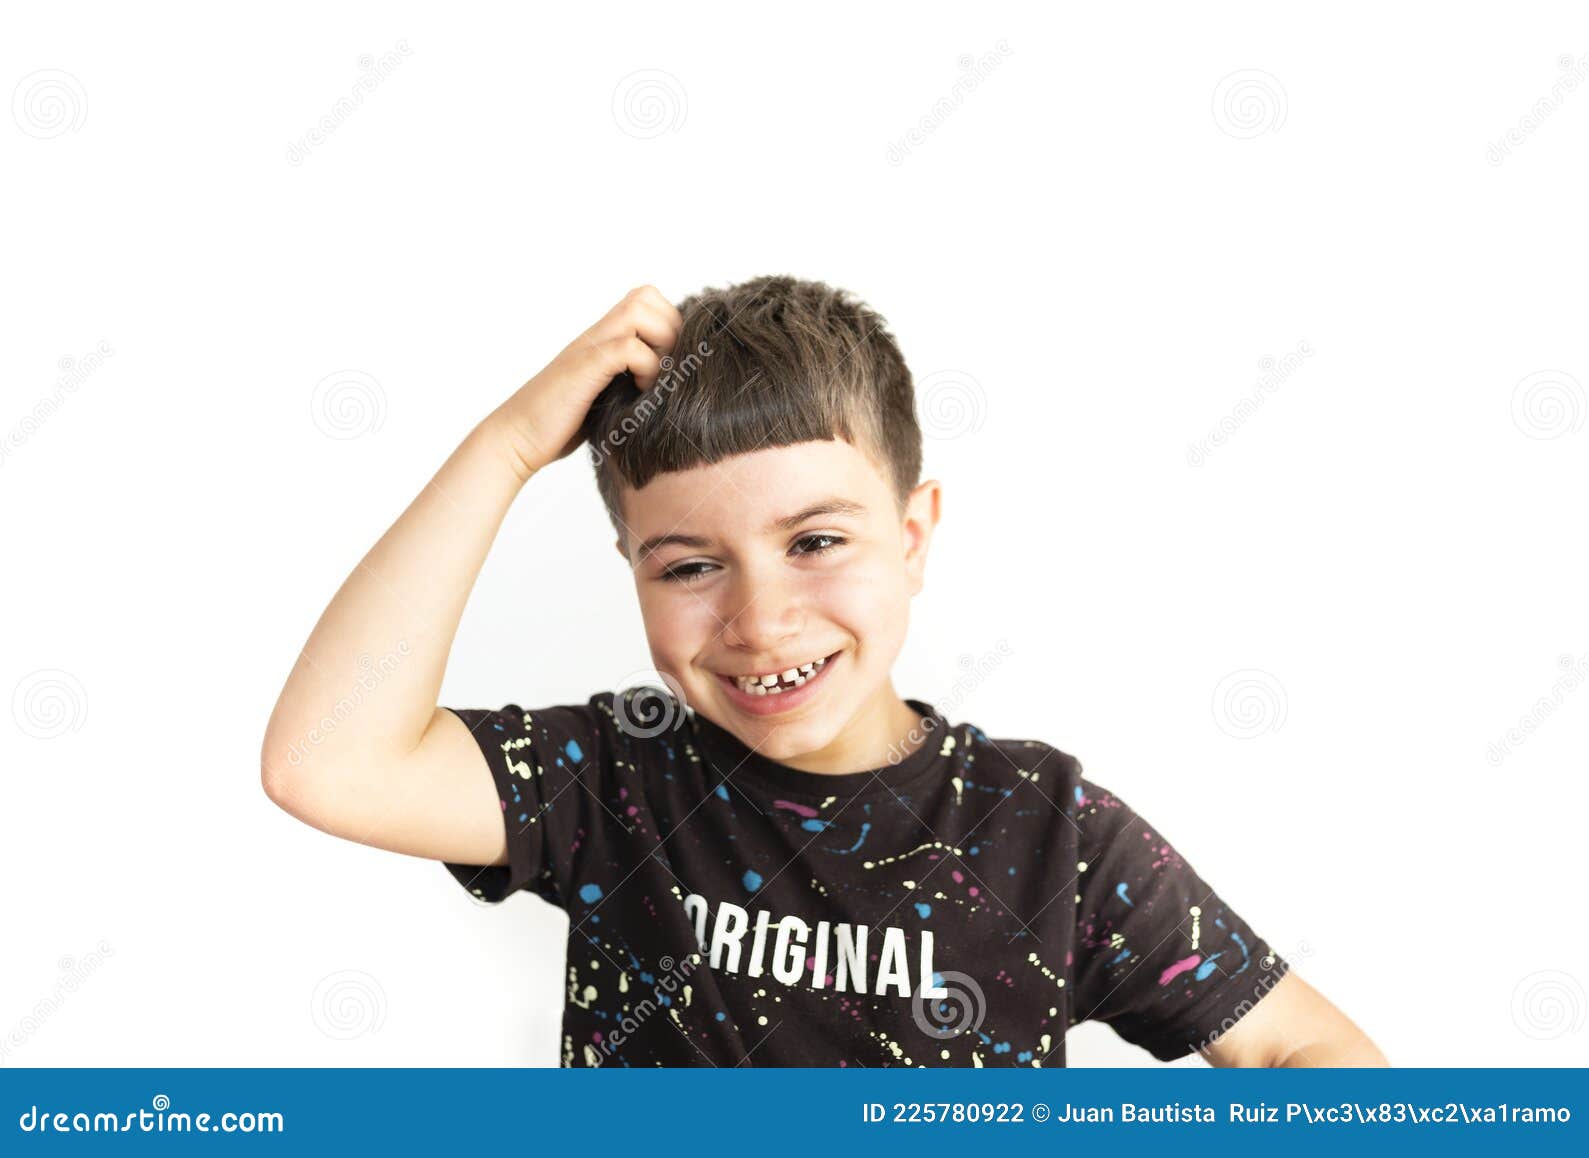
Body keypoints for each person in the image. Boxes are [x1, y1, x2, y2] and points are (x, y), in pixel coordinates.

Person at [261, 277, 1384, 1067]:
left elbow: (1303, 1047)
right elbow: (328, 763)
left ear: (913, 535)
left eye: (815, 542)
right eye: (692, 565)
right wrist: (508, 444)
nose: (761, 619)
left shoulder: (1047, 833)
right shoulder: (616, 782)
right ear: (632, 571)